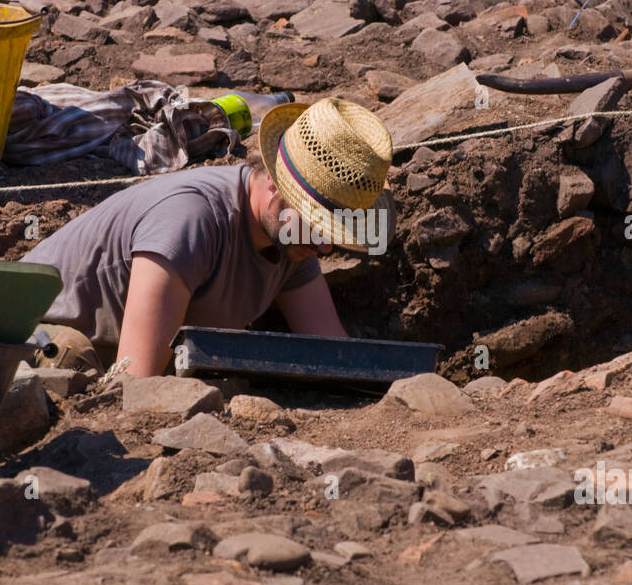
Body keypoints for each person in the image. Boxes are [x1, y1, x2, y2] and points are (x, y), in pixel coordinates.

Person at [23, 97, 396, 377]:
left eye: (333, 230)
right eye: (317, 223)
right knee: (69, 358)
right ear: (273, 181)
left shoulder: (291, 238)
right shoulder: (190, 220)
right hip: (22, 336)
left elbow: (335, 355)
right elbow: (136, 379)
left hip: (116, 357)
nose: (325, 245)